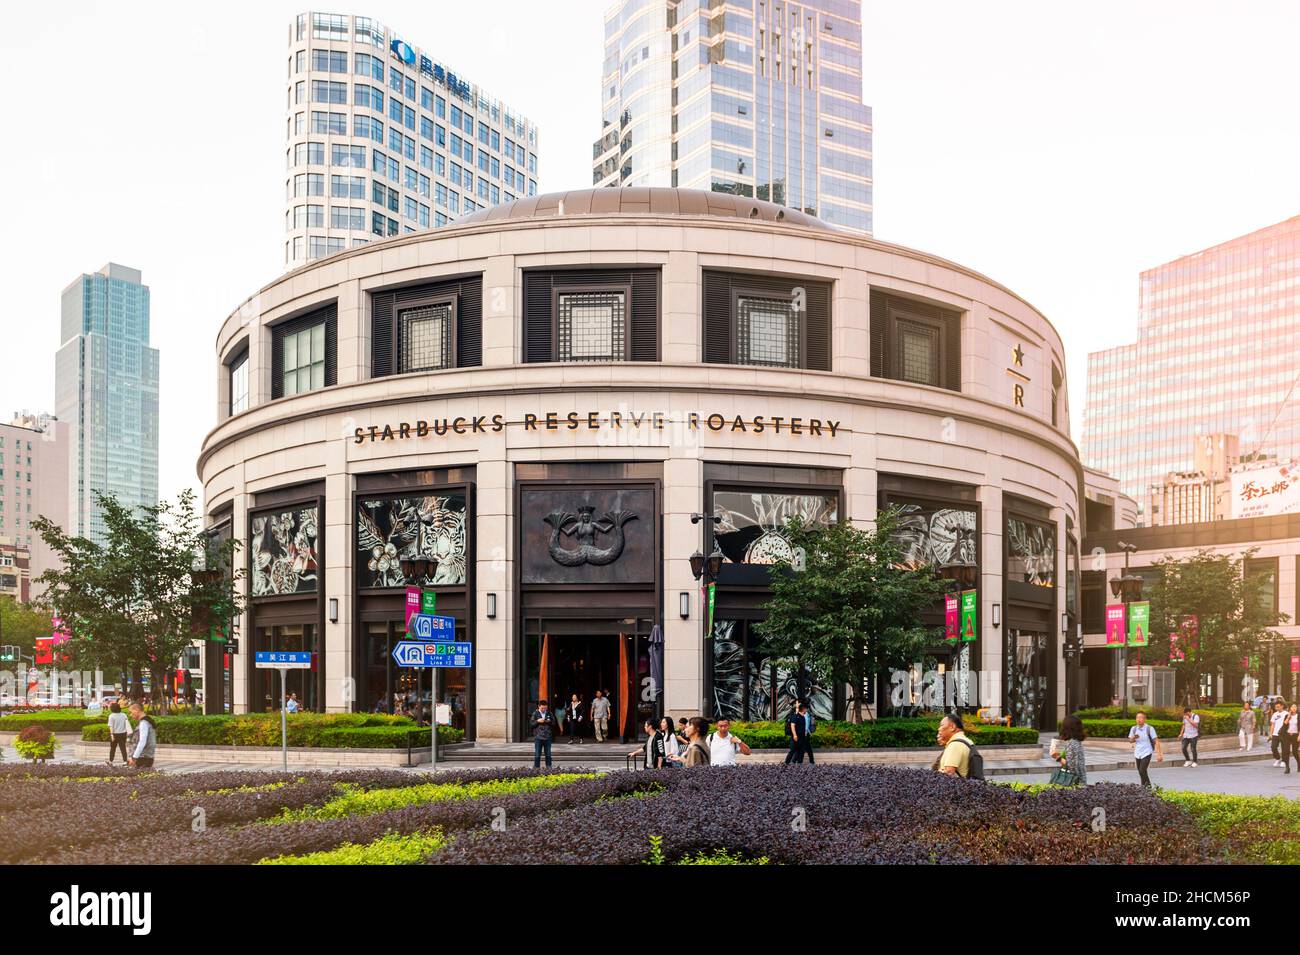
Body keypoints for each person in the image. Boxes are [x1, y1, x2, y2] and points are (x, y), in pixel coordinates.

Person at [934, 713, 975, 777]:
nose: (939, 729)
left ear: (952, 727)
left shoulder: (956, 745)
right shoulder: (965, 741)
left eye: (941, 725)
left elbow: (949, 773)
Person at [1127, 711, 1162, 787]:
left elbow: (1156, 741)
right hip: (1137, 752)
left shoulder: (1149, 728)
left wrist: (1159, 754)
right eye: (1137, 717)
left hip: (1147, 752)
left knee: (1142, 771)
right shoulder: (1134, 728)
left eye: (1141, 717)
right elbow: (1130, 741)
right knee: (1141, 772)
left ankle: (1148, 788)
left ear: (1145, 719)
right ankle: (1144, 788)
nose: (1139, 719)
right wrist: (1134, 738)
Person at [1052, 714, 1088, 786]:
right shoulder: (1075, 742)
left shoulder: (1073, 743)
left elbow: (1072, 766)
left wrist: (1058, 758)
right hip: (1079, 781)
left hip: (1075, 783)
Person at [126, 703, 157, 770]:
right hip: (146, 757)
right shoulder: (148, 721)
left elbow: (142, 741)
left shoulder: (144, 723)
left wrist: (134, 757)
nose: (130, 715)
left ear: (137, 710)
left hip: (142, 758)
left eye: (131, 712)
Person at [529, 698, 556, 768]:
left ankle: (549, 768)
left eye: (545, 708)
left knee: (548, 754)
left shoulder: (549, 713)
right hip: (538, 737)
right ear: (539, 706)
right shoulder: (535, 713)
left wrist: (549, 721)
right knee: (537, 754)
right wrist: (538, 721)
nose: (544, 710)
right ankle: (536, 768)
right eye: (542, 708)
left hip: (547, 737)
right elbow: (531, 724)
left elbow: (554, 723)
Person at [1269, 699, 1289, 766]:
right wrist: (1271, 734)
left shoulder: (1286, 713)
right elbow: (1272, 724)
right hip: (1275, 734)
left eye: (1278, 706)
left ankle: (1284, 761)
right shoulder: (1275, 714)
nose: (1276, 708)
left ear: (1282, 706)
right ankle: (1278, 758)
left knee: (1284, 748)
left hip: (1284, 734)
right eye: (1276, 707)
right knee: (1273, 747)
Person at [1287, 704, 1300, 775]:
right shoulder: (1288, 716)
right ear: (1290, 708)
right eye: (1292, 707)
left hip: (1295, 735)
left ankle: (1299, 763)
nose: (1294, 708)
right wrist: (1288, 716)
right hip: (1288, 735)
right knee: (1286, 751)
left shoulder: (1298, 716)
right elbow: (1285, 724)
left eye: (1295, 707)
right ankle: (1287, 767)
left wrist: (1299, 735)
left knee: (1294, 751)